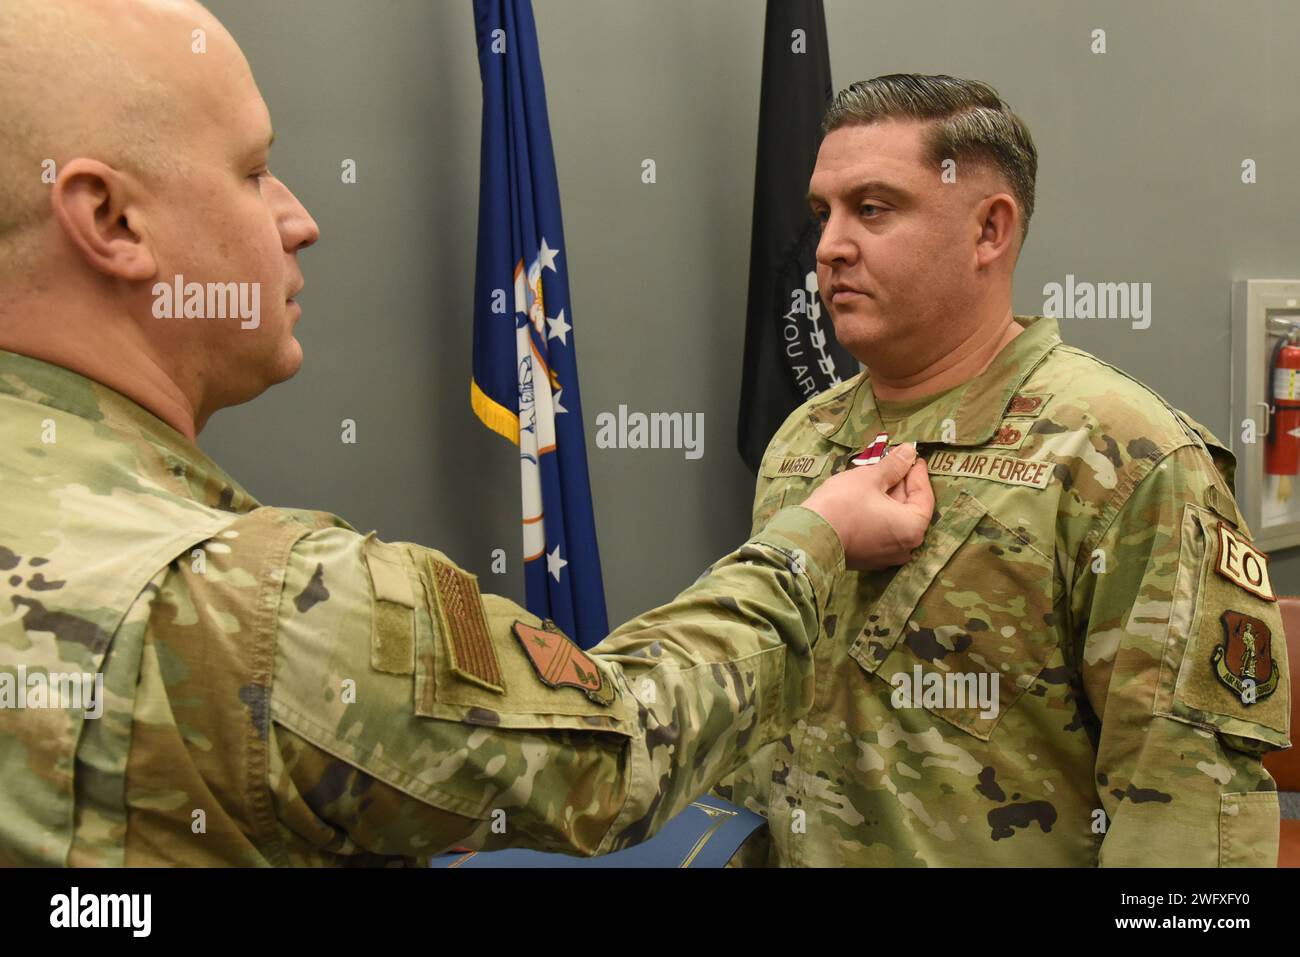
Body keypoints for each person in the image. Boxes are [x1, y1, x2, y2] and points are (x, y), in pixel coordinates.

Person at [0, 0, 936, 867]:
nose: (299, 219)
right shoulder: (252, 612)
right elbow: (616, 748)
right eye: (252, 171)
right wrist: (812, 543)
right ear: (111, 219)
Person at [715, 73, 1291, 867]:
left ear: (990, 230)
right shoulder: (803, 441)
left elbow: (1187, 821)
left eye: (872, 209)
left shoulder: (1124, 456)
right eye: (824, 212)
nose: (828, 246)